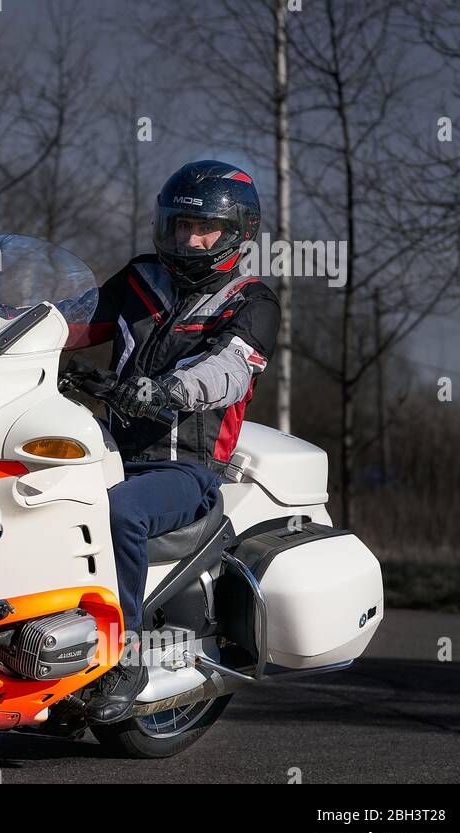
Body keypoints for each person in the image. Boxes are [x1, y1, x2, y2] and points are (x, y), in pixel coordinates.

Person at [60, 160, 281, 723]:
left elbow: (230, 369)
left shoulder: (250, 301)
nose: (189, 238)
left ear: (236, 234)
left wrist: (165, 392)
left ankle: (123, 659)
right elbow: (74, 326)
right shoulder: (141, 279)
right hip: (106, 452)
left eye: (202, 227)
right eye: (180, 225)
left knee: (121, 513)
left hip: (184, 470)